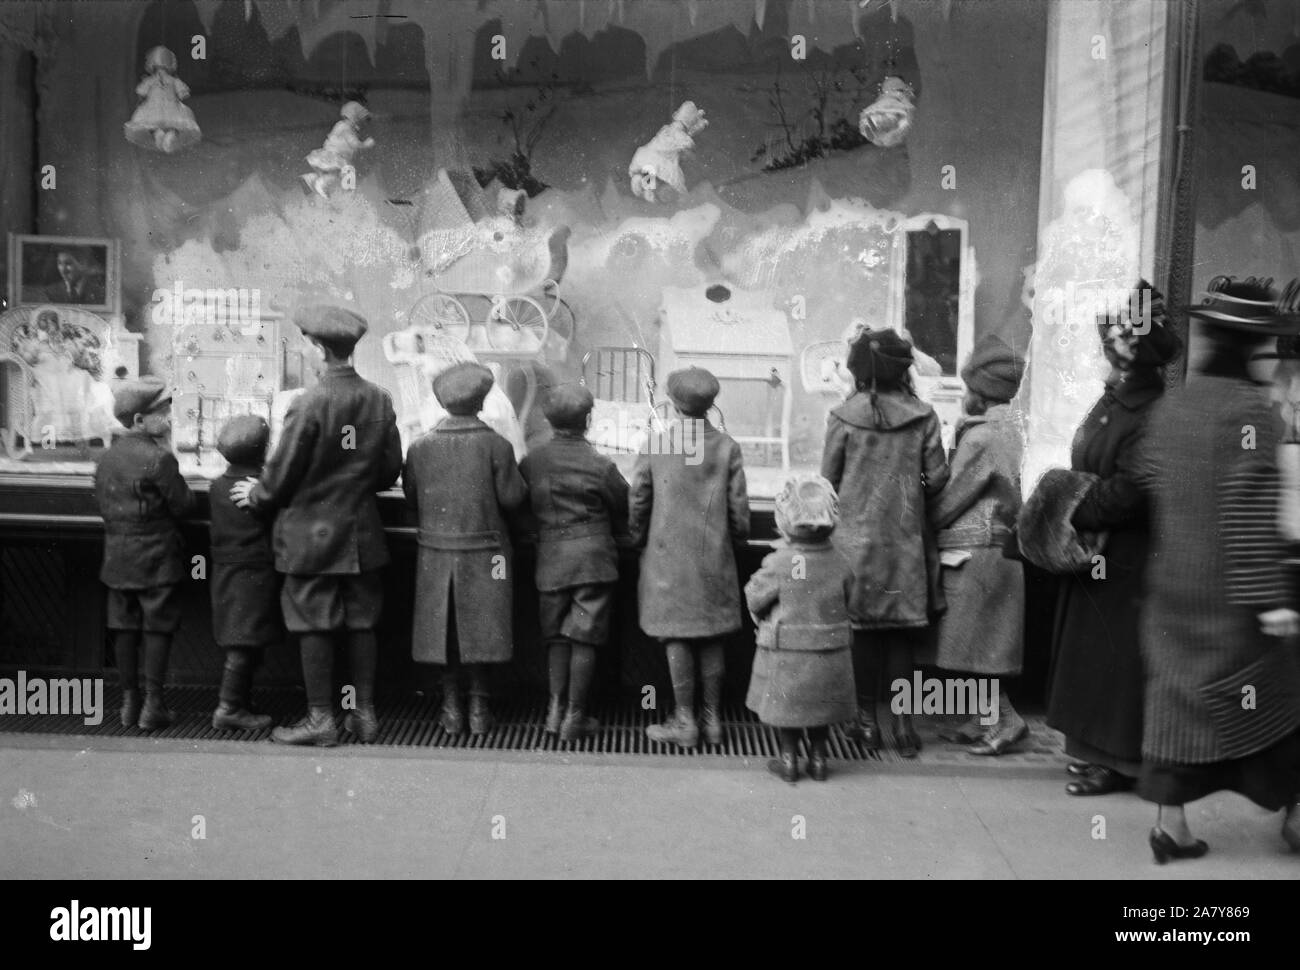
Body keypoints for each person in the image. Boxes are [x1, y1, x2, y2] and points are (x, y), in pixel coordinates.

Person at [1136, 277, 1300, 862]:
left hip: (1172, 593)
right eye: (1269, 347)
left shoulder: (1172, 407)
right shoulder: (1250, 415)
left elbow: (1153, 487)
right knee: (1277, 702)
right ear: (1249, 348)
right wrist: (1272, 600)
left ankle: (1171, 828)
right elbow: (1248, 513)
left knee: (1178, 709)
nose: (1274, 360)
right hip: (1231, 602)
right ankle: (1296, 817)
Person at [231, 306, 402, 746]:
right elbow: (388, 471)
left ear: (318, 348)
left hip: (310, 537)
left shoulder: (307, 404)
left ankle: (321, 719)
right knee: (362, 621)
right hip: (361, 533)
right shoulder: (379, 398)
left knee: (314, 623)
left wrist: (255, 494)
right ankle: (364, 715)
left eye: (305, 342)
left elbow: (280, 475)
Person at [1045, 281, 1182, 796]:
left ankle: (1116, 761)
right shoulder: (1116, 400)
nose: (1109, 341)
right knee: (1093, 653)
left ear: (1135, 357)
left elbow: (1132, 492)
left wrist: (1069, 504)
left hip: (1126, 555)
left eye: (1118, 338)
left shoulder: (1150, 413)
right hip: (1097, 549)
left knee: (1113, 658)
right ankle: (1091, 753)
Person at [821, 328, 949, 758]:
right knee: (901, 637)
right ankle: (904, 727)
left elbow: (827, 483)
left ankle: (865, 723)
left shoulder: (842, 417)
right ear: (903, 368)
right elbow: (939, 478)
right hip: (905, 542)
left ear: (857, 369)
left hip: (854, 545)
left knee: (861, 634)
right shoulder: (924, 416)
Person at [403, 362, 528, 736]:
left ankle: (451, 707)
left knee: (444, 631)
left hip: (435, 554)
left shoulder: (420, 447)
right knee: (484, 628)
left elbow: (413, 498)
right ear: (483, 399)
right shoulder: (498, 445)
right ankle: (479, 707)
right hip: (492, 557)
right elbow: (512, 499)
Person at [918, 334, 1028, 755]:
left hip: (975, 553)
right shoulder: (1014, 428)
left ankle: (1005, 721)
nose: (965, 396)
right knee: (979, 644)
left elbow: (951, 499)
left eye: (968, 388)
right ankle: (980, 719)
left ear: (983, 393)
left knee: (979, 646)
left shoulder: (985, 437)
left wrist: (920, 520)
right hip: (999, 550)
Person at [633, 367, 750, 748]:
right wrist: (732, 543)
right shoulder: (727, 446)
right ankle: (713, 721)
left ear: (673, 403)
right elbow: (739, 515)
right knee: (711, 633)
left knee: (677, 634)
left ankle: (684, 720)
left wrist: (637, 539)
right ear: (711, 403)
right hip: (714, 557)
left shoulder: (657, 444)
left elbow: (639, 502)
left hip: (668, 561)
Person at [518, 382, 629, 741]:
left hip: (551, 559)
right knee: (584, 637)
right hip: (593, 560)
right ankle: (576, 716)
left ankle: (553, 711)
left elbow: (520, 507)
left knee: (555, 637)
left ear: (548, 420)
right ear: (589, 420)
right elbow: (623, 506)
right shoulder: (601, 463)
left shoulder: (532, 462)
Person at [93, 376, 193, 729]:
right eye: (162, 413)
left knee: (123, 627)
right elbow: (183, 505)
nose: (168, 418)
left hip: (118, 558)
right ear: (138, 421)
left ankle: (128, 702)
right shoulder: (159, 459)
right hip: (156, 559)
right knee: (157, 628)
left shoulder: (106, 459)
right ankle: (154, 704)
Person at [745, 474, 856, 784]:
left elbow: (754, 598)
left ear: (785, 521)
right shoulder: (841, 561)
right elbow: (851, 599)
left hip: (787, 653)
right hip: (829, 652)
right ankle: (819, 760)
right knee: (821, 710)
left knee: (788, 710)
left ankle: (789, 759)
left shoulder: (779, 562)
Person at [208, 415, 277, 733]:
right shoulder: (256, 490)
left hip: (227, 573)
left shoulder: (217, 485)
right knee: (244, 643)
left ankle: (239, 703)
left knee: (242, 640)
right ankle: (229, 708)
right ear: (264, 450)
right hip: (253, 575)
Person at [40, 250, 105, 306]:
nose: (63, 270)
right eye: (59, 263)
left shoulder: (100, 292)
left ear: (83, 264)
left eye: (68, 263)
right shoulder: (50, 292)